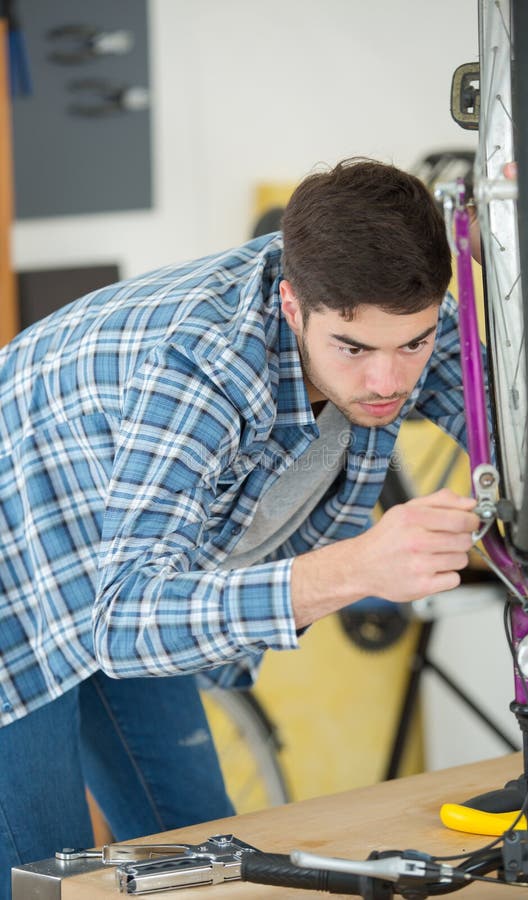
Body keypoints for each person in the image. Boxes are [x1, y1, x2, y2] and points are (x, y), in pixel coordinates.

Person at [0, 158, 479, 897]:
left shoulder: (401, 307)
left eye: (410, 346)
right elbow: (127, 619)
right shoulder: (202, 368)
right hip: (19, 570)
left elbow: (522, 435)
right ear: (293, 306)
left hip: (118, 553)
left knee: (200, 853)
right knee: (52, 877)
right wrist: (356, 569)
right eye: (352, 349)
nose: (387, 382)